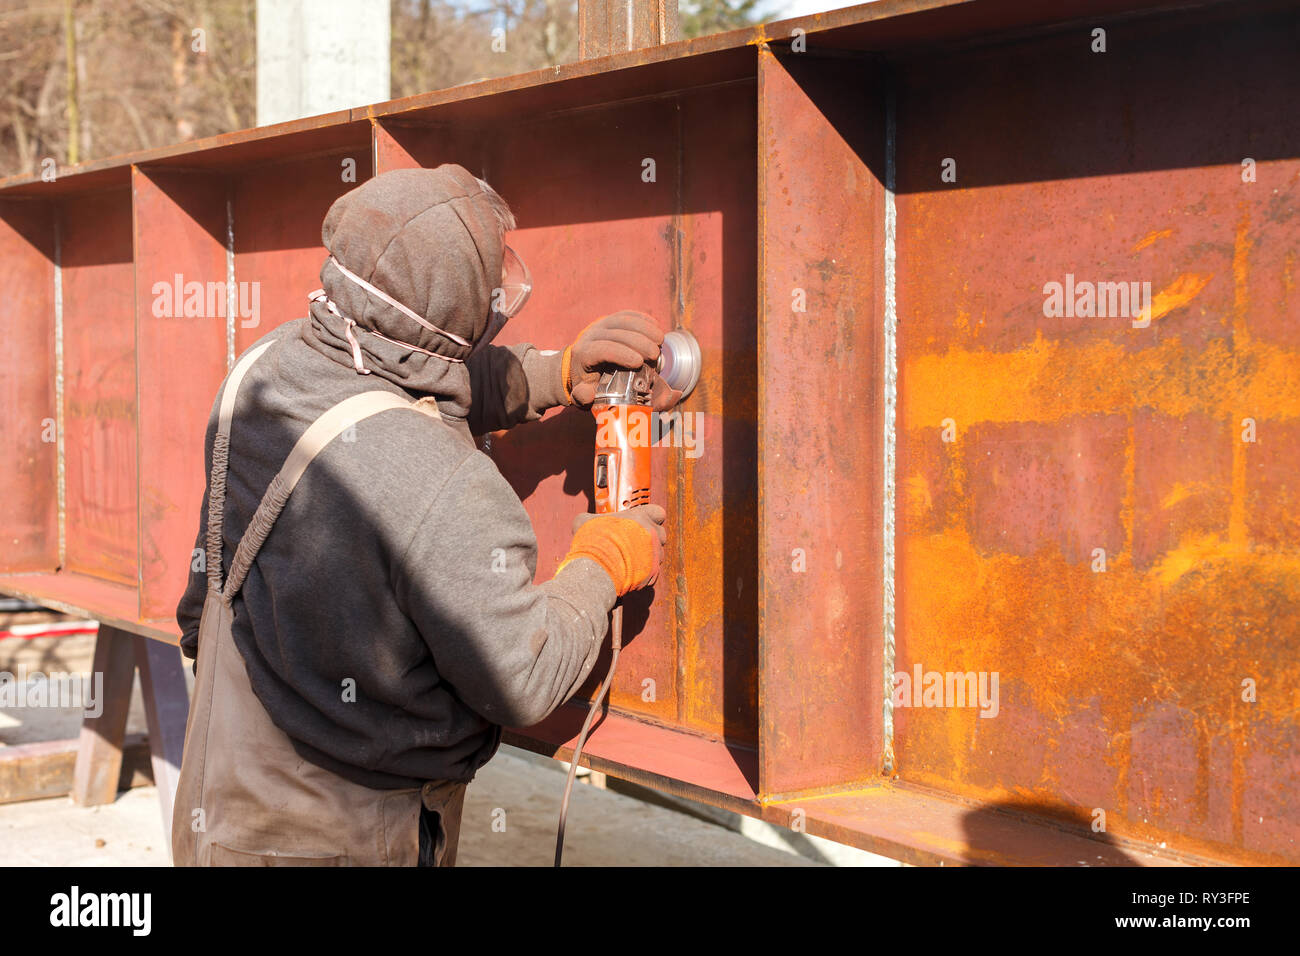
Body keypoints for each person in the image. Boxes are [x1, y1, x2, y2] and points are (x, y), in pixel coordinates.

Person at [171, 164, 670, 867]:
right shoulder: (448, 481)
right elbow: (520, 680)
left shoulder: (264, 366)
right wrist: (602, 563)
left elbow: (392, 374)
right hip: (347, 831)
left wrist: (552, 374)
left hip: (224, 782)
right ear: (452, 319)